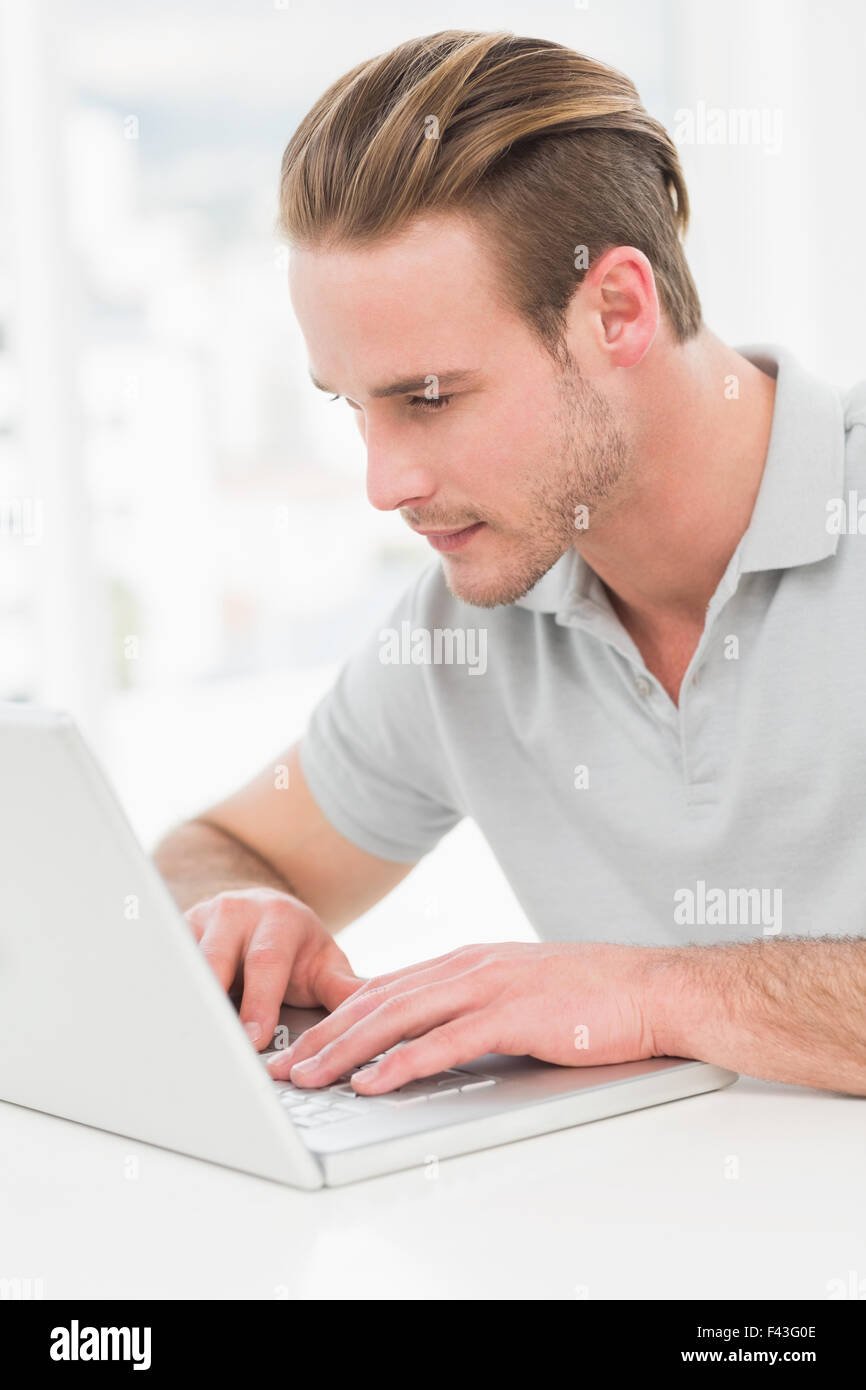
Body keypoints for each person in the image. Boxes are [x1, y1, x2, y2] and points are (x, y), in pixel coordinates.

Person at [153, 30, 866, 1098]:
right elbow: (213, 846)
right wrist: (238, 911)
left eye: (428, 397)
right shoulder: (471, 618)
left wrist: (653, 992)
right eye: (353, 405)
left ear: (615, 310)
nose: (382, 483)